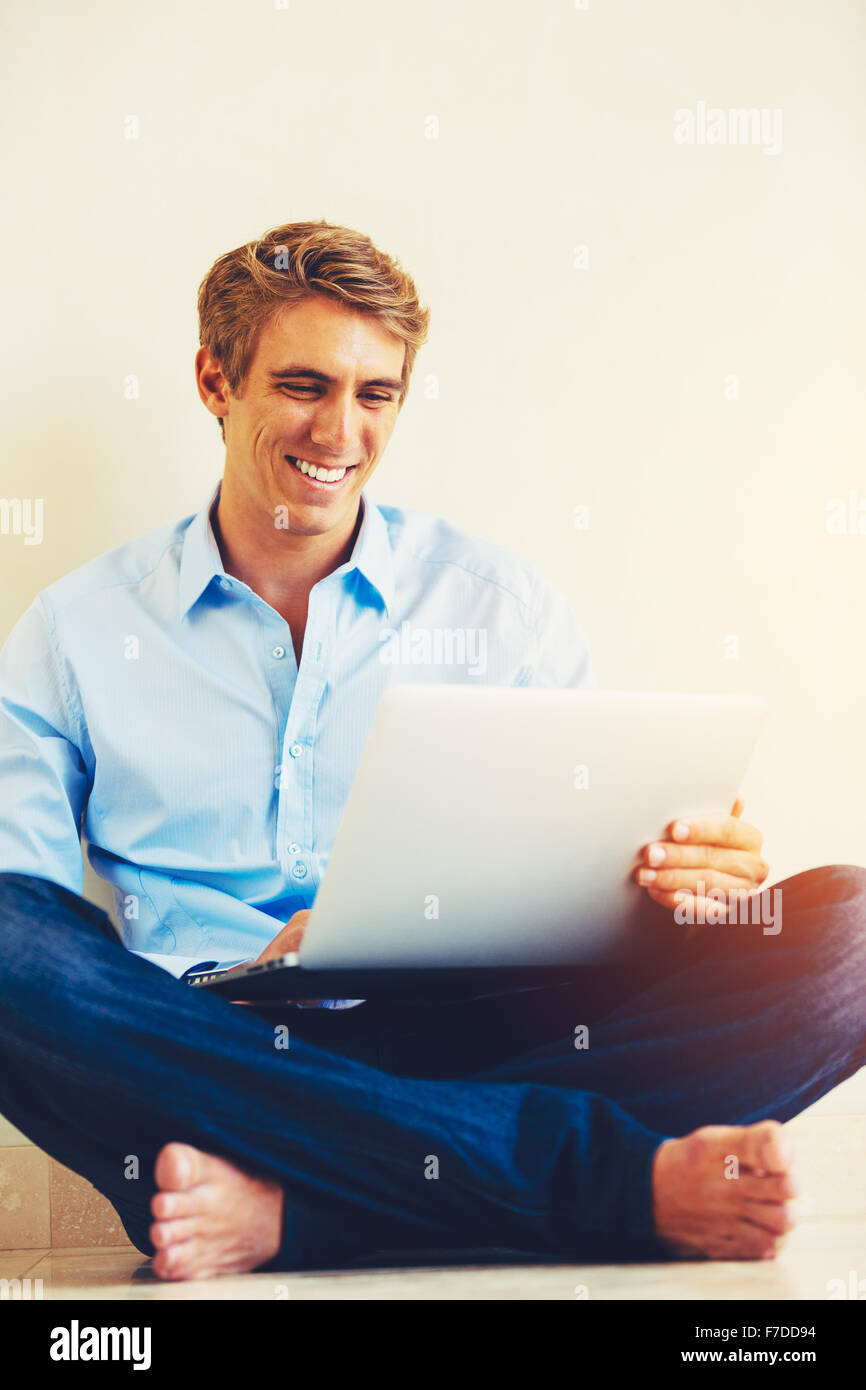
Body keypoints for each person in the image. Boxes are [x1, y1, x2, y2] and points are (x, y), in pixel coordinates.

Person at [0, 221, 863, 1282]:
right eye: (304, 384)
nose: (341, 430)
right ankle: (582, 1177)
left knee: (852, 929)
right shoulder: (75, 630)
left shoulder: (498, 609)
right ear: (213, 380)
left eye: (376, 394)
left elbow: (580, 890)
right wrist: (241, 970)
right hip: (200, 1051)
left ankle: (307, 1214)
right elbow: (29, 921)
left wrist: (682, 884)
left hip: (471, 1028)